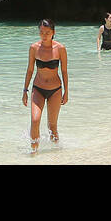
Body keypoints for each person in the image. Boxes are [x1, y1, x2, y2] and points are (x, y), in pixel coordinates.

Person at [22, 18, 68, 152]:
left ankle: (56, 153)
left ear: (53, 32)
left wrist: (66, 92)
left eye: (47, 32)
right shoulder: (34, 48)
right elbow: (30, 70)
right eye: (41, 32)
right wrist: (25, 90)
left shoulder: (60, 48)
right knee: (35, 120)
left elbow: (64, 71)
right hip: (38, 88)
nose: (44, 35)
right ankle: (34, 153)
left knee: (52, 126)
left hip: (55, 90)